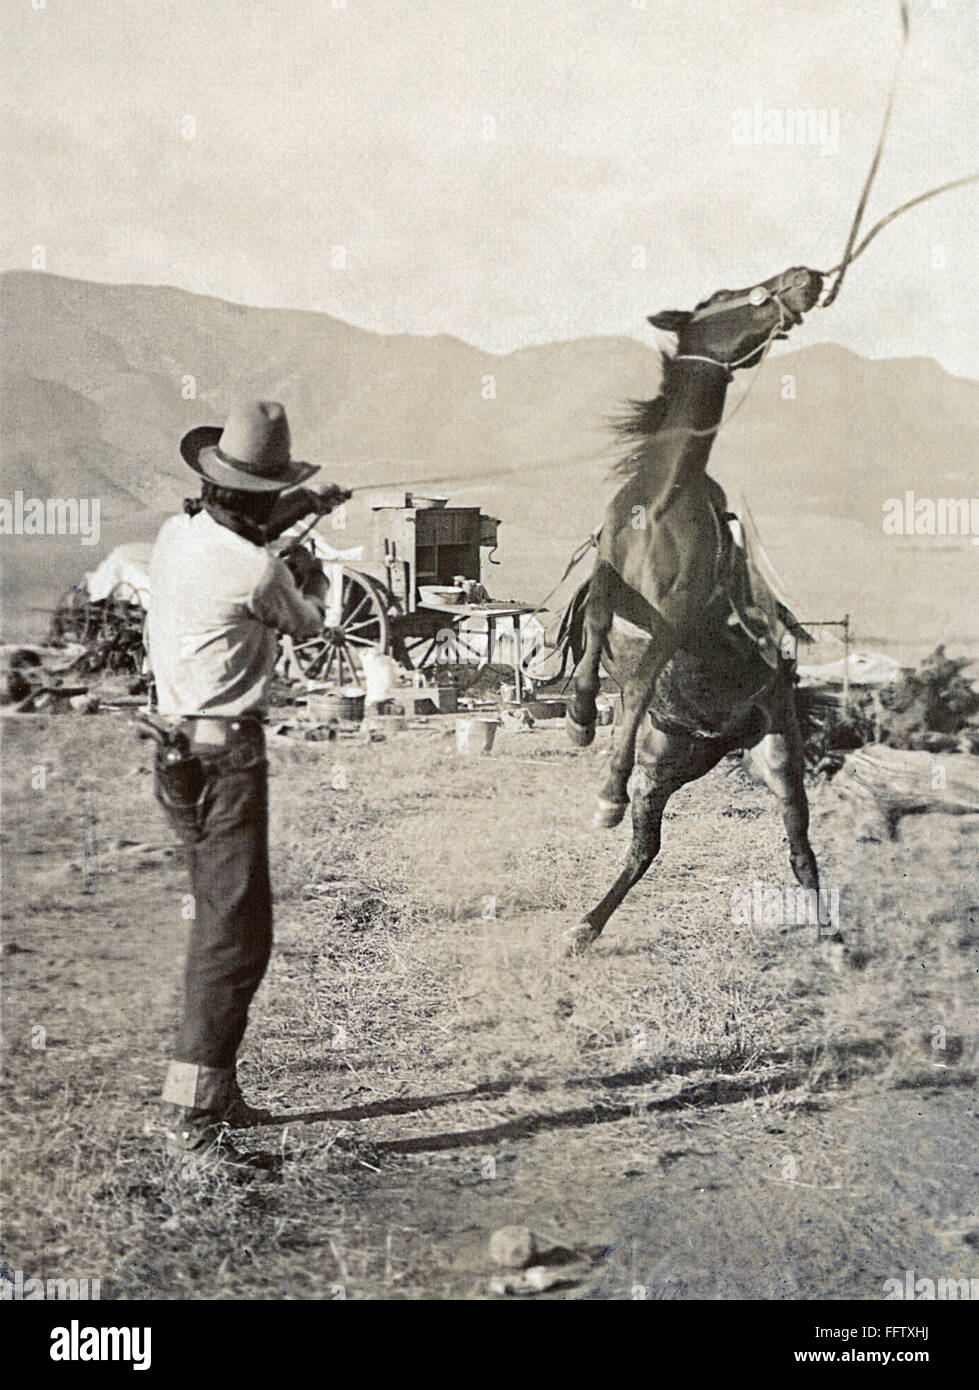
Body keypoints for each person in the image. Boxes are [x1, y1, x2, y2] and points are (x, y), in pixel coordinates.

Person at [146, 400, 347, 1174]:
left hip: (177, 755)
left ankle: (214, 1090)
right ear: (261, 499)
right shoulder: (260, 569)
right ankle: (193, 1121)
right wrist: (305, 552)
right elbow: (307, 623)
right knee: (233, 937)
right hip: (227, 761)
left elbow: (238, 532)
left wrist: (299, 508)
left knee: (225, 925)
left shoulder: (176, 535)